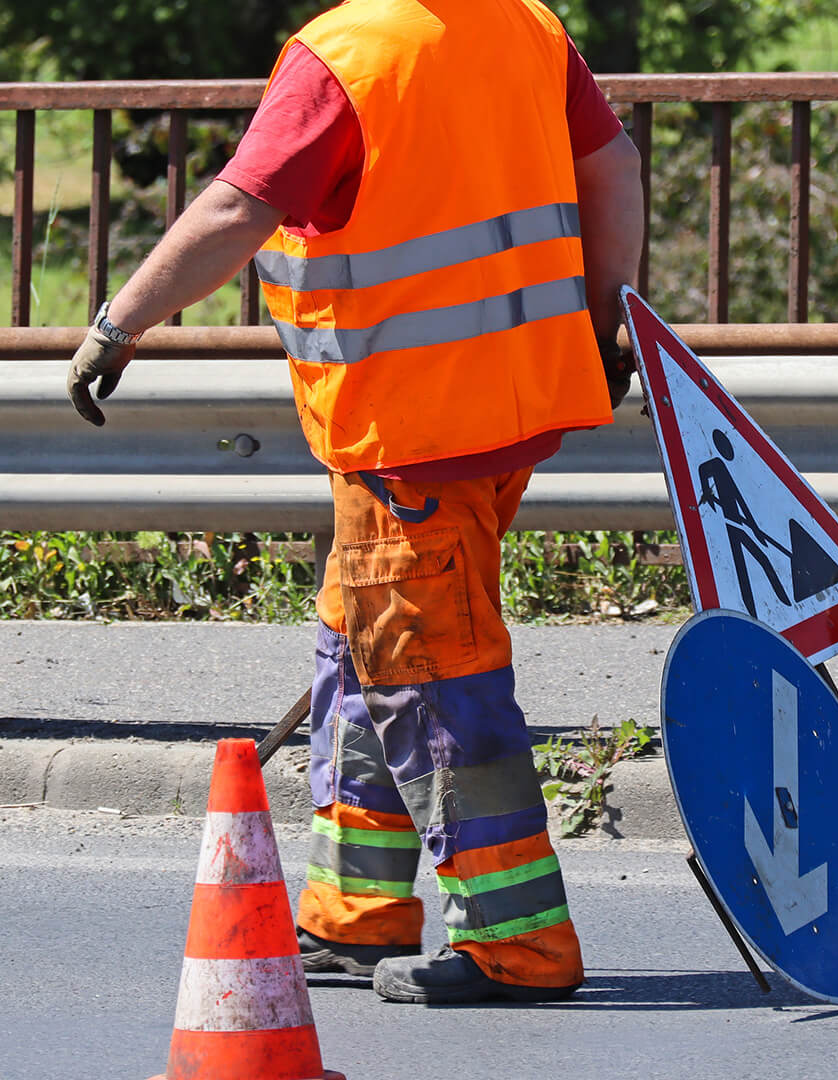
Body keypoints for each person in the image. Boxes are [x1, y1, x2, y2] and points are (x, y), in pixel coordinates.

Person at [67, 0, 643, 1005]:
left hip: (410, 437)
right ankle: (357, 917)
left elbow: (235, 212)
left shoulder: (344, 58)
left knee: (433, 678)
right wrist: (606, 316)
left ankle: (520, 945)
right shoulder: (525, 27)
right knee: (361, 654)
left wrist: (119, 324)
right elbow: (613, 169)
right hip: (510, 410)